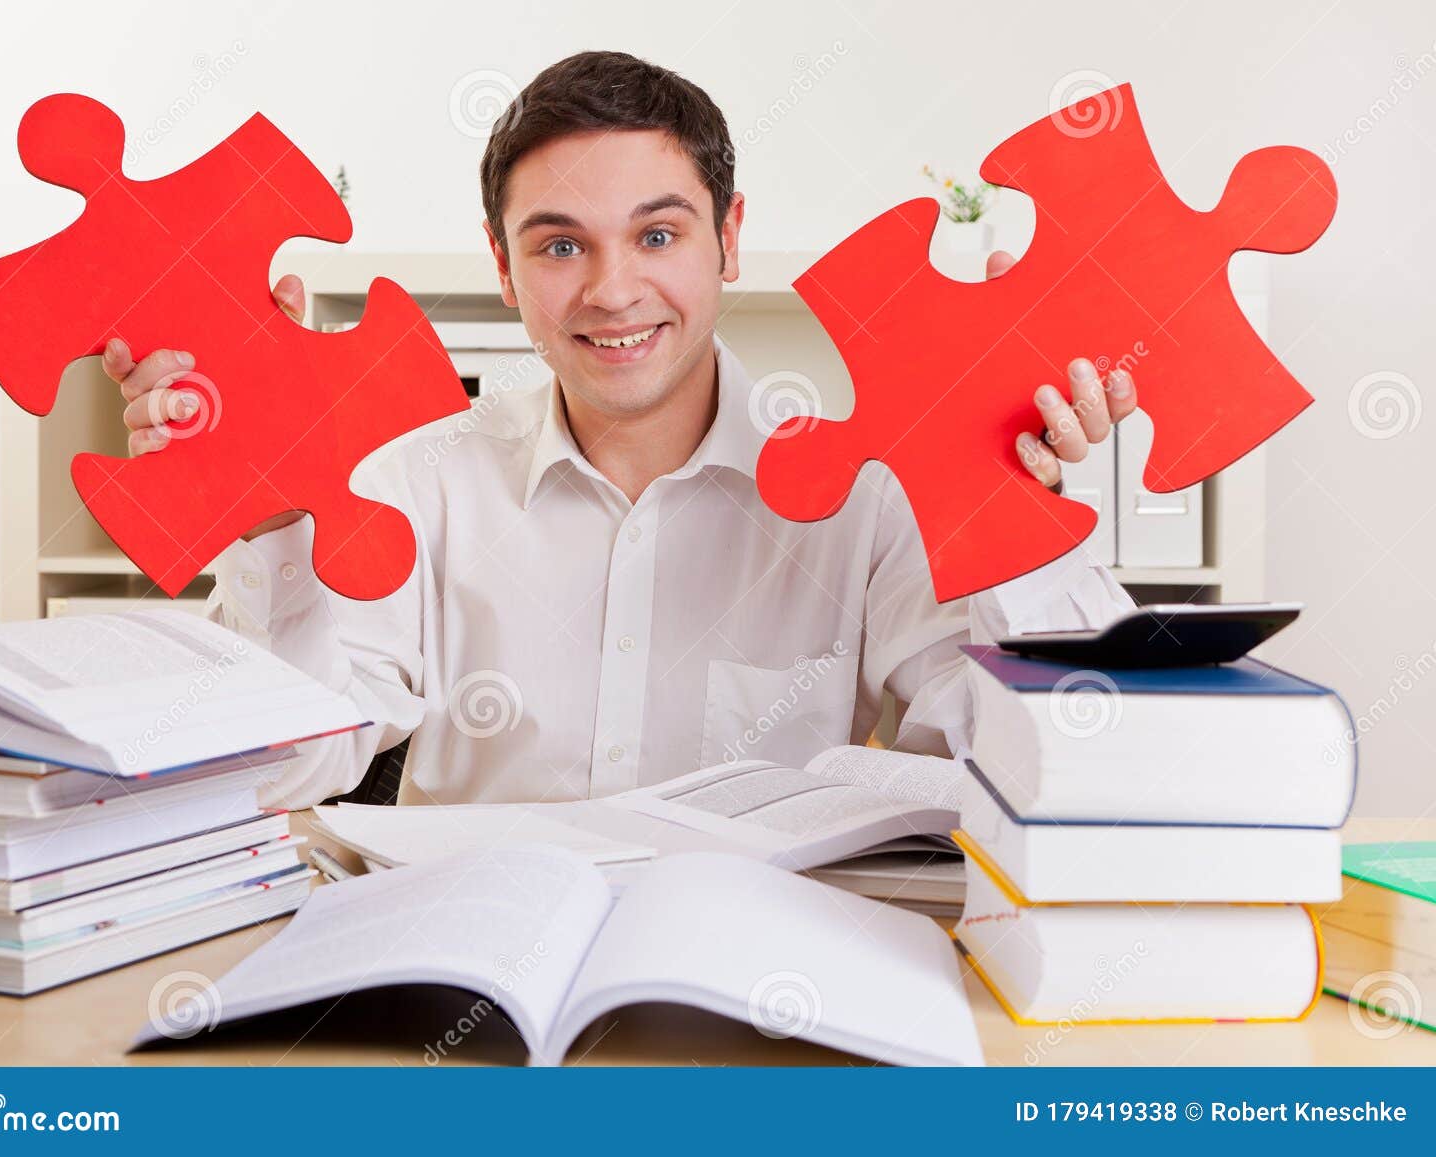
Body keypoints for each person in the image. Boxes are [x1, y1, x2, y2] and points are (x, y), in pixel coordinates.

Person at [102, 51, 1137, 809]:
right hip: (466, 1000)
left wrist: (1006, 507)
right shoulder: (412, 478)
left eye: (656, 233)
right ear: (503, 269)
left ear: (727, 240)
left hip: (760, 1004)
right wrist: (266, 511)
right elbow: (287, 763)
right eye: (559, 245)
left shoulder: (865, 492)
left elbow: (1026, 766)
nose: (611, 289)